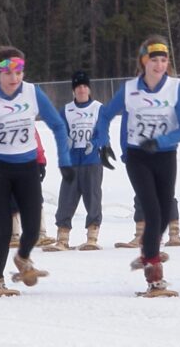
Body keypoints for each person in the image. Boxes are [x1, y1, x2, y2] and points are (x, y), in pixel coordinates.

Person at [0, 46, 73, 297]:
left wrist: (64, 161)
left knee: (33, 228)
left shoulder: (33, 93)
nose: (14, 77)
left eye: (19, 71)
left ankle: (23, 258)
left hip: (27, 167)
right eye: (8, 71)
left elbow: (57, 125)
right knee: (4, 229)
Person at [93, 35, 180, 297]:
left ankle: (148, 251)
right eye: (154, 60)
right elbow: (104, 114)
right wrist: (102, 142)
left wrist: (160, 141)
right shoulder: (129, 89)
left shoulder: (175, 88)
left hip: (165, 155)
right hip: (137, 157)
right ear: (144, 62)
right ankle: (154, 275)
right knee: (153, 211)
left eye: (164, 59)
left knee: (163, 209)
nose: (159, 65)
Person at [47, 71, 113, 251]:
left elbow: (104, 133)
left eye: (84, 86)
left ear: (89, 89)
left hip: (91, 160)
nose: (82, 90)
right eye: (78, 87)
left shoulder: (98, 108)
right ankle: (63, 237)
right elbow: (60, 131)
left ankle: (92, 235)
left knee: (92, 196)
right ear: (73, 91)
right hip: (72, 160)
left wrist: (95, 143)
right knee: (66, 197)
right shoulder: (67, 110)